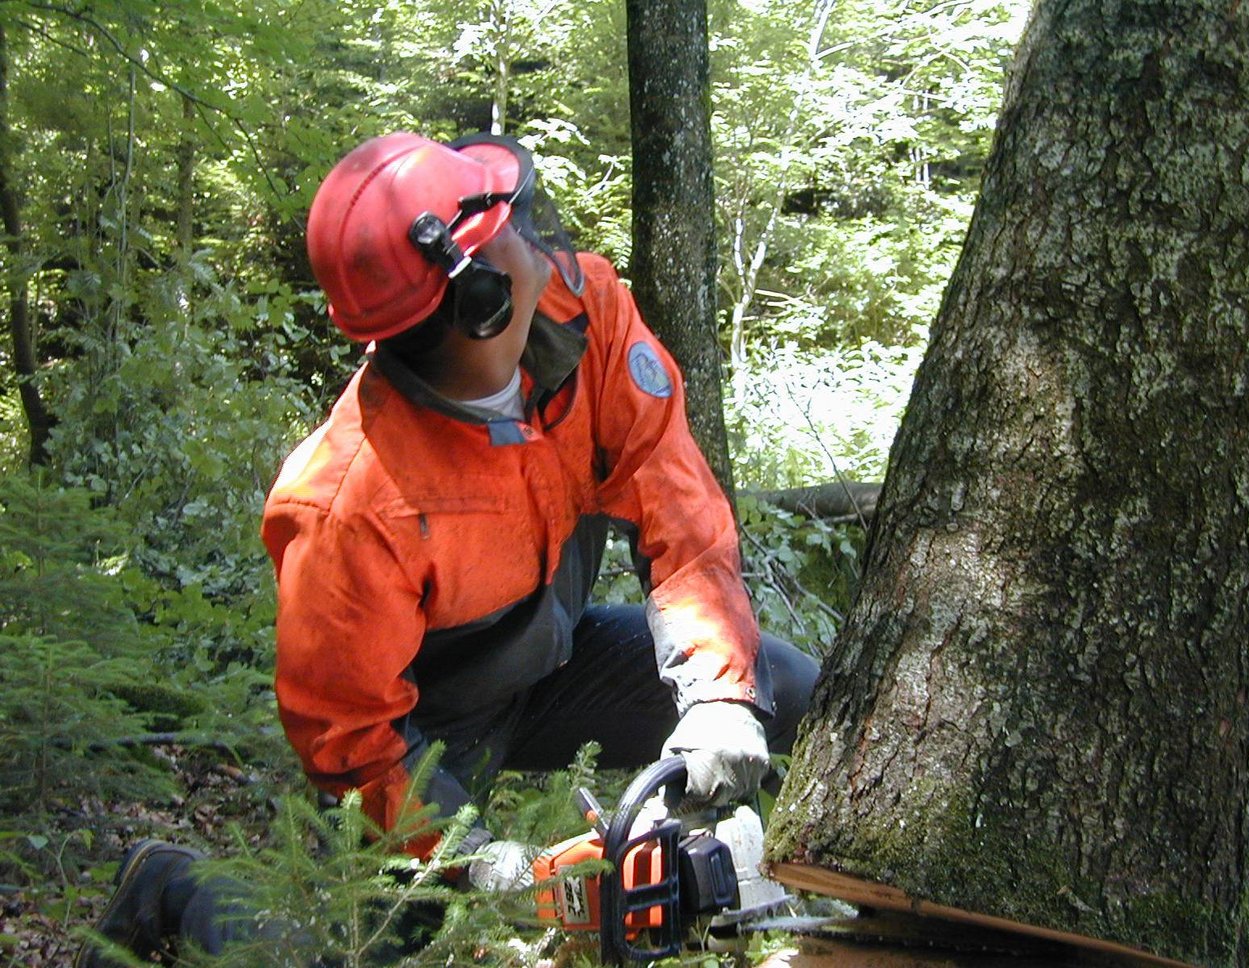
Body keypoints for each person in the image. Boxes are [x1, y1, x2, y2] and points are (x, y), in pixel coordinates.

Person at [77, 131, 819, 965]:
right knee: (369, 953)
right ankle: (176, 886)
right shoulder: (345, 505)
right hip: (417, 733)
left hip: (551, 662)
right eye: (512, 225)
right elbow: (350, 738)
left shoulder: (587, 318)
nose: (540, 239)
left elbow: (675, 505)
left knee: (787, 686)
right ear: (482, 302)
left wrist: (719, 695)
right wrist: (475, 863)